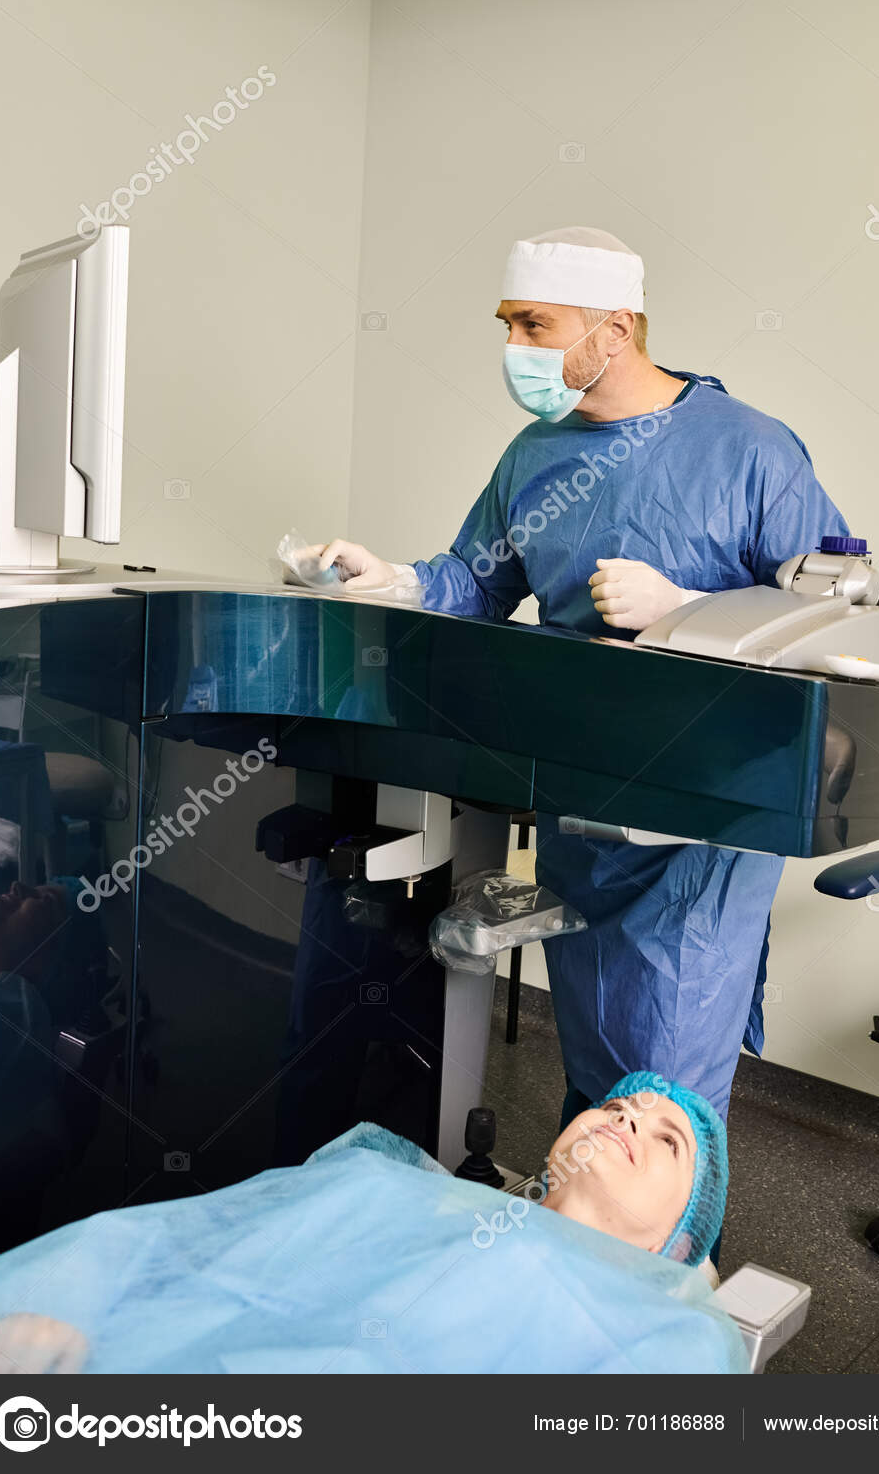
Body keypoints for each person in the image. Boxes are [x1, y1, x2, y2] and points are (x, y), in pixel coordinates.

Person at [309, 226, 848, 1140]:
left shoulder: (749, 449)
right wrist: (393, 579)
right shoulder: (535, 452)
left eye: (534, 324)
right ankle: (583, 1209)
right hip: (582, 792)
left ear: (616, 329)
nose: (513, 346)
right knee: (594, 1040)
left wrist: (687, 609)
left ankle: (661, 1228)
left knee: (663, 1077)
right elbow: (477, 582)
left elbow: (826, 614)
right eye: (506, 324)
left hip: (699, 812)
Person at [0, 1071, 744, 1375]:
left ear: (672, 1243)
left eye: (666, 1139)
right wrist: (58, 1308)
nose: (627, 1119)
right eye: (617, 1105)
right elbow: (173, 1248)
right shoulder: (384, 1185)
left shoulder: (668, 1340)